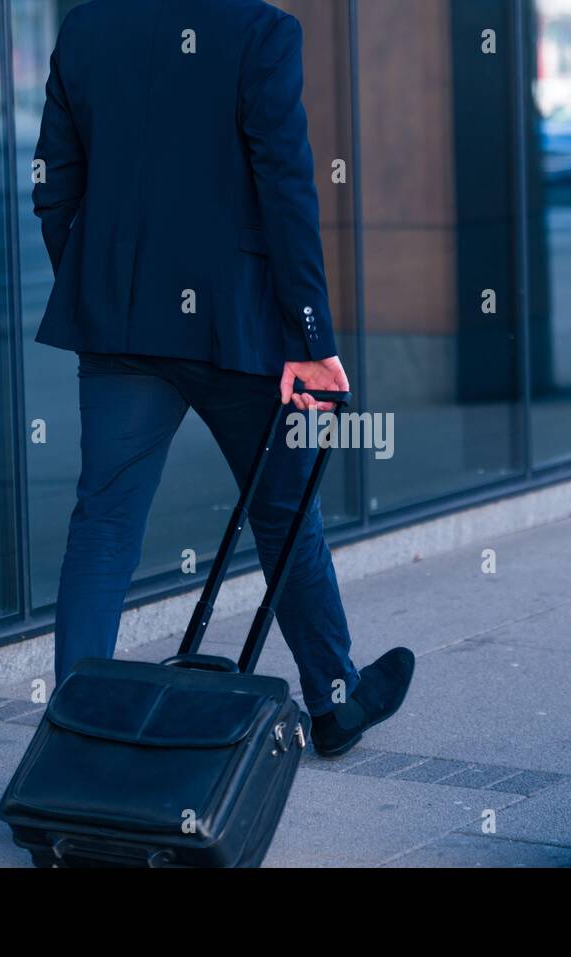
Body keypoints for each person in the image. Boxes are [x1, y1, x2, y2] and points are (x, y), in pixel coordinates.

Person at [31, 0, 414, 757]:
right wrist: (313, 337)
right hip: (236, 331)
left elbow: (53, 184)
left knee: (103, 527)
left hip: (123, 325)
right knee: (284, 514)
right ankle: (334, 702)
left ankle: (73, 739)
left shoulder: (85, 27)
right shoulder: (261, 32)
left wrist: (100, 289)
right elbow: (286, 191)